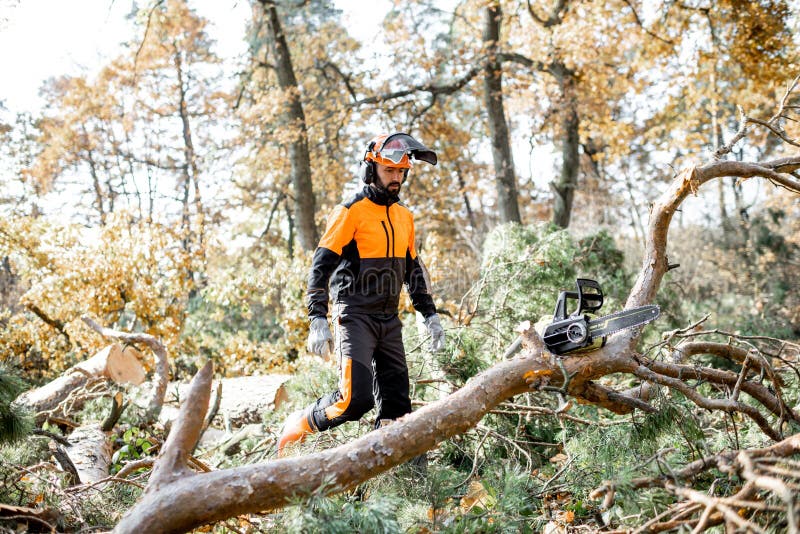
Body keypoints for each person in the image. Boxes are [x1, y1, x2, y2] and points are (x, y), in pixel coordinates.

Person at [277, 132, 446, 455]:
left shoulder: (404, 217)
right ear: (372, 170)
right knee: (355, 401)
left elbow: (412, 270)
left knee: (399, 409)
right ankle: (300, 424)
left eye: (401, 172)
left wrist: (429, 314)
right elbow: (320, 266)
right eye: (389, 171)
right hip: (354, 315)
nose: (396, 178)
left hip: (389, 319)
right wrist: (317, 318)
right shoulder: (350, 211)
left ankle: (398, 478)